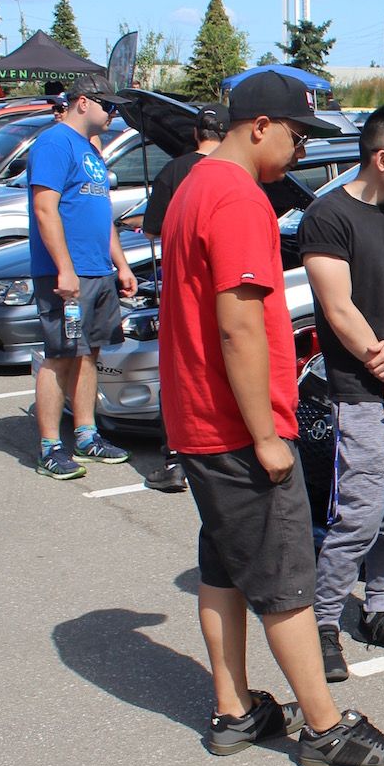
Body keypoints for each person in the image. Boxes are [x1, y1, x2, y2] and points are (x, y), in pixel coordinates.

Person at [159, 70, 384, 766]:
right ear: (260, 126)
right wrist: (267, 436)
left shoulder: (194, 185)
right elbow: (240, 327)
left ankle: (235, 707)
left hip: (197, 418)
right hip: (237, 427)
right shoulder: (238, 198)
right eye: (298, 135)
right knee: (284, 580)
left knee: (224, 566)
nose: (301, 151)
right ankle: (326, 731)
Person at [299, 103, 384, 680]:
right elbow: (338, 309)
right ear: (382, 158)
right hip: (364, 391)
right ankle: (324, 622)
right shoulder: (328, 217)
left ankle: (378, 610)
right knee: (360, 514)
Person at [27, 72, 138, 480]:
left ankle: (86, 434)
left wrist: (121, 264)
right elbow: (45, 208)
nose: (112, 113)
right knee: (60, 356)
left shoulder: (91, 150)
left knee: (90, 353)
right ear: (82, 102)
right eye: (107, 105)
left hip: (98, 271)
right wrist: (64, 268)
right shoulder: (54, 142)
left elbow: (100, 214)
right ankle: (49, 447)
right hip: (68, 275)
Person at [139, 101, 228, 493]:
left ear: (196, 133)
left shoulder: (175, 170)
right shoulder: (234, 174)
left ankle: (177, 460)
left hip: (181, 286)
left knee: (179, 373)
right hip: (228, 285)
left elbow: (153, 229)